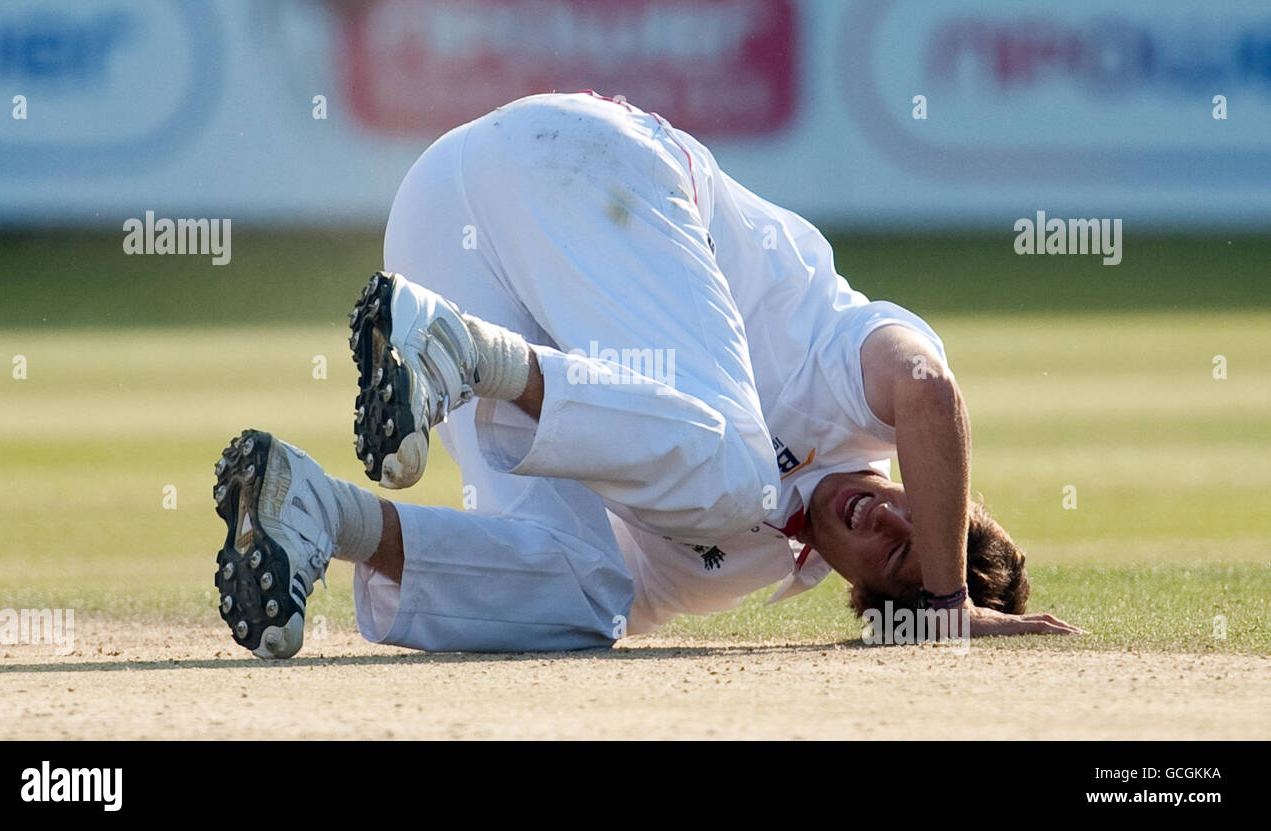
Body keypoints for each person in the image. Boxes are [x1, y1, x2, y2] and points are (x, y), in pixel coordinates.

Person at [211, 91, 1081, 659]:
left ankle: (319, 512)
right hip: (578, 164)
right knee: (738, 471)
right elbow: (930, 392)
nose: (889, 522)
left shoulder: (736, 570)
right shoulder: (852, 378)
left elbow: (577, 584)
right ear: (936, 487)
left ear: (857, 589)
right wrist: (947, 596)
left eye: (891, 562)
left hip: (440, 244)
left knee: (588, 599)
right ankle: (468, 359)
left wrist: (927, 606)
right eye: (923, 517)